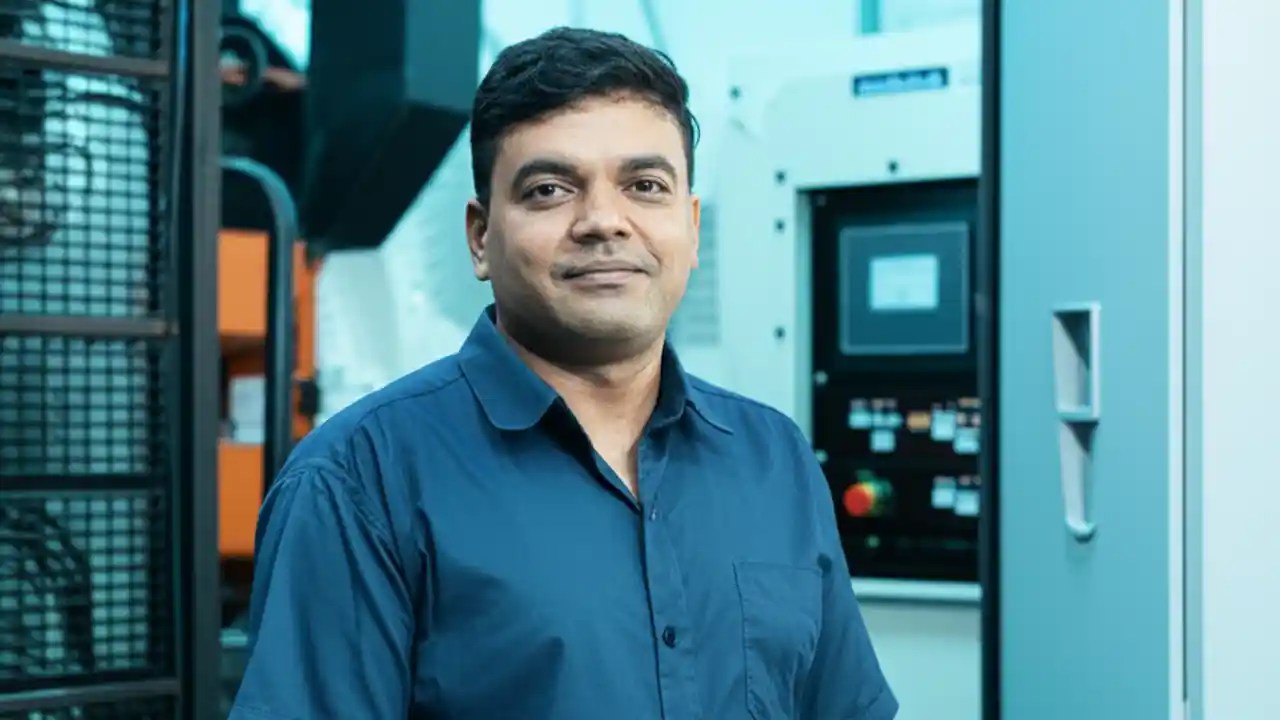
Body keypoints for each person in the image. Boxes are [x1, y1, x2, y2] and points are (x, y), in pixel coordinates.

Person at [229, 26, 897, 720]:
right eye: (550, 189)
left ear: (692, 227)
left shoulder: (773, 459)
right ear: (480, 237)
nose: (604, 221)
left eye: (645, 186)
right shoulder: (360, 481)